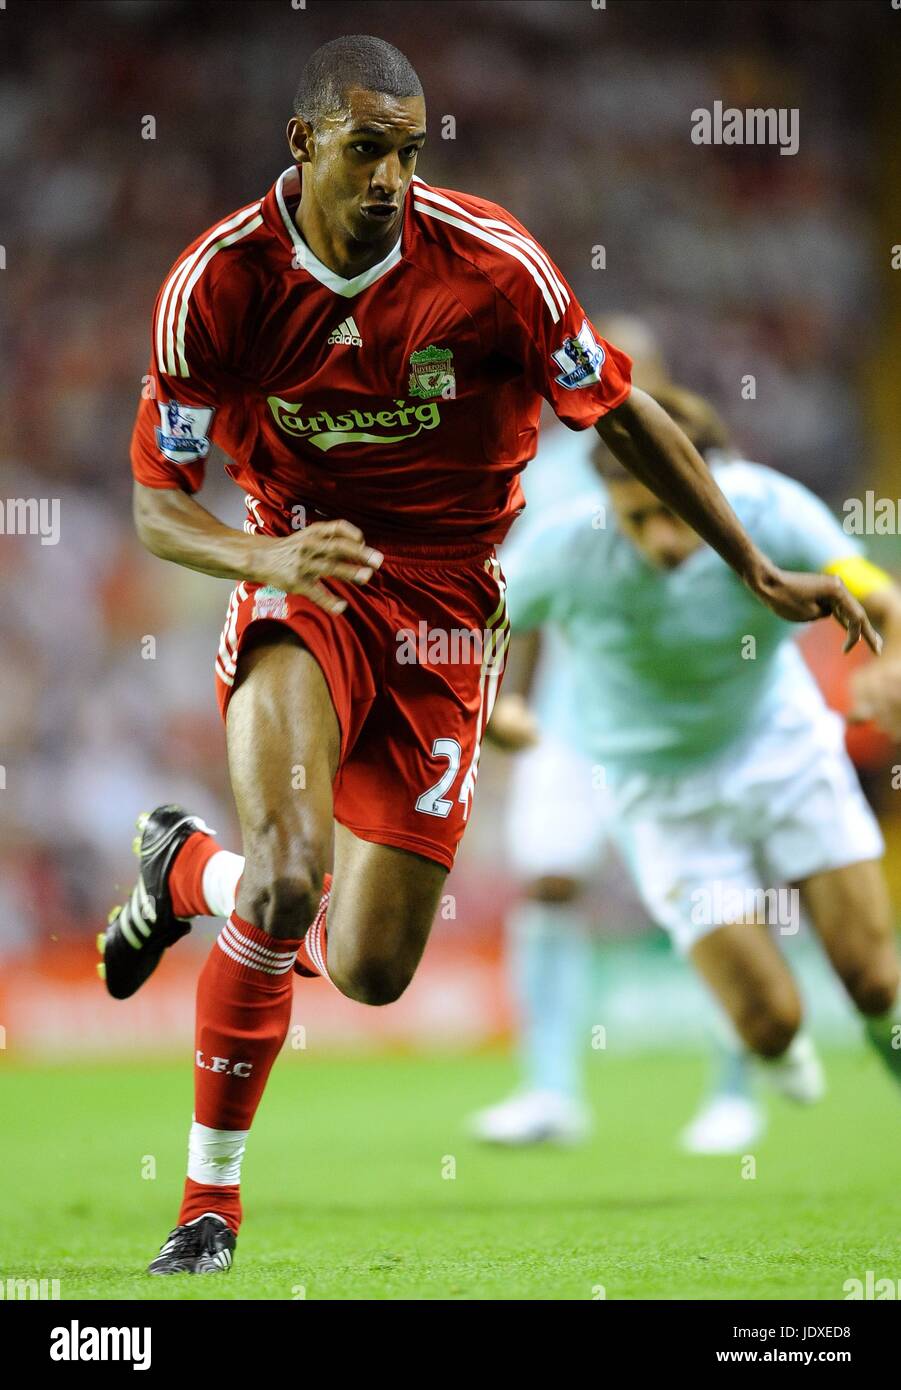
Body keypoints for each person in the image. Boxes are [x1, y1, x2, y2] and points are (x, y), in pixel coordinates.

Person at [100, 35, 876, 1275]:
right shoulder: (218, 284)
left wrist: (752, 567)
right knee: (290, 880)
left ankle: (189, 869)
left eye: (408, 152)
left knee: (371, 967)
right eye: (366, 149)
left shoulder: (493, 265)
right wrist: (264, 560)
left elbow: (622, 412)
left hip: (453, 607)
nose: (390, 177)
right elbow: (157, 504)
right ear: (303, 142)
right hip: (310, 577)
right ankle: (208, 1207)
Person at [486, 384, 901, 1149]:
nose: (662, 541)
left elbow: (880, 596)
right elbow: (477, 623)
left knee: (874, 981)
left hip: (782, 751)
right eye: (637, 518)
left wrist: (891, 660)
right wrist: (494, 707)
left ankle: (887, 1040)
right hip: (658, 793)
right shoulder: (565, 542)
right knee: (770, 1023)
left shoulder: (770, 508)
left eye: (674, 512)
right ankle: (770, 1054)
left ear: (713, 486)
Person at [470, 332, 765, 1154]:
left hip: (683, 726)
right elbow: (524, 602)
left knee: (708, 899)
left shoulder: (712, 468)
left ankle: (732, 1092)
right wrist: (508, 701)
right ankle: (549, 1092)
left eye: (634, 369)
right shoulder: (548, 471)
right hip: (573, 724)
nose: (611, 379)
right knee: (548, 881)